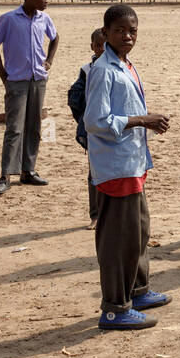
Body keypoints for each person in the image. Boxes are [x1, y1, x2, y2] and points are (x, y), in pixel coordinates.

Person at [85, 4, 172, 330]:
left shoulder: (124, 64)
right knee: (117, 239)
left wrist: (145, 124)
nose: (127, 36)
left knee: (138, 230)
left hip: (132, 162)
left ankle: (137, 291)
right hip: (115, 166)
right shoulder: (104, 70)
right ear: (105, 33)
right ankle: (114, 308)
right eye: (120, 30)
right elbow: (95, 121)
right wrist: (141, 120)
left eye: (132, 30)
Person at [0, 0, 59, 195]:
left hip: (38, 79)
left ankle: (28, 171)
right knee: (14, 128)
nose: (47, 1)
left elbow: (55, 38)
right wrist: (3, 75)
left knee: (34, 127)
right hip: (16, 81)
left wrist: (49, 61)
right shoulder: (9, 19)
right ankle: (6, 175)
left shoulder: (44, 18)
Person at [67, 28, 107, 228]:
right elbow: (75, 98)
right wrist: (83, 121)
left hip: (114, 128)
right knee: (94, 173)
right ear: (92, 46)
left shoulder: (120, 67)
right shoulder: (86, 70)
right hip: (93, 130)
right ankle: (95, 215)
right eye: (98, 45)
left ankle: (110, 215)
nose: (102, 49)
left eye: (105, 45)